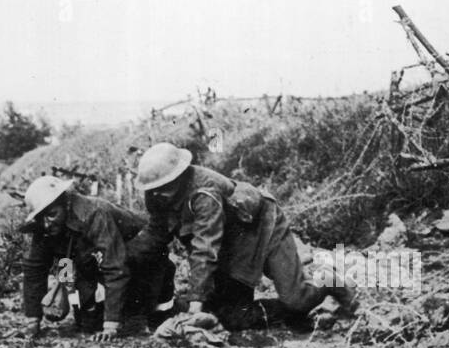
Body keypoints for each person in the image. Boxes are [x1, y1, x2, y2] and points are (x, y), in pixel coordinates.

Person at [134, 142, 357, 332]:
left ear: (180, 177)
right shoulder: (157, 195)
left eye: (164, 187)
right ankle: (297, 318)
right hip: (234, 245)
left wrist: (195, 307)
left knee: (296, 298)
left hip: (264, 227)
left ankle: (328, 280)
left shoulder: (204, 194)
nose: (156, 195)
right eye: (153, 189)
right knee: (233, 315)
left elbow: (205, 248)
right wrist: (120, 257)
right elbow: (154, 234)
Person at [18, 175, 174, 340]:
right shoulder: (46, 225)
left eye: (51, 214)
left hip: (143, 264)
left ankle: (157, 308)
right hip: (97, 265)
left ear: (66, 203)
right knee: (87, 325)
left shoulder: (94, 214)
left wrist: (111, 326)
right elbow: (35, 268)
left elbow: (115, 267)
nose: (47, 224)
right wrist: (32, 321)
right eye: (40, 218)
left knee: (138, 322)